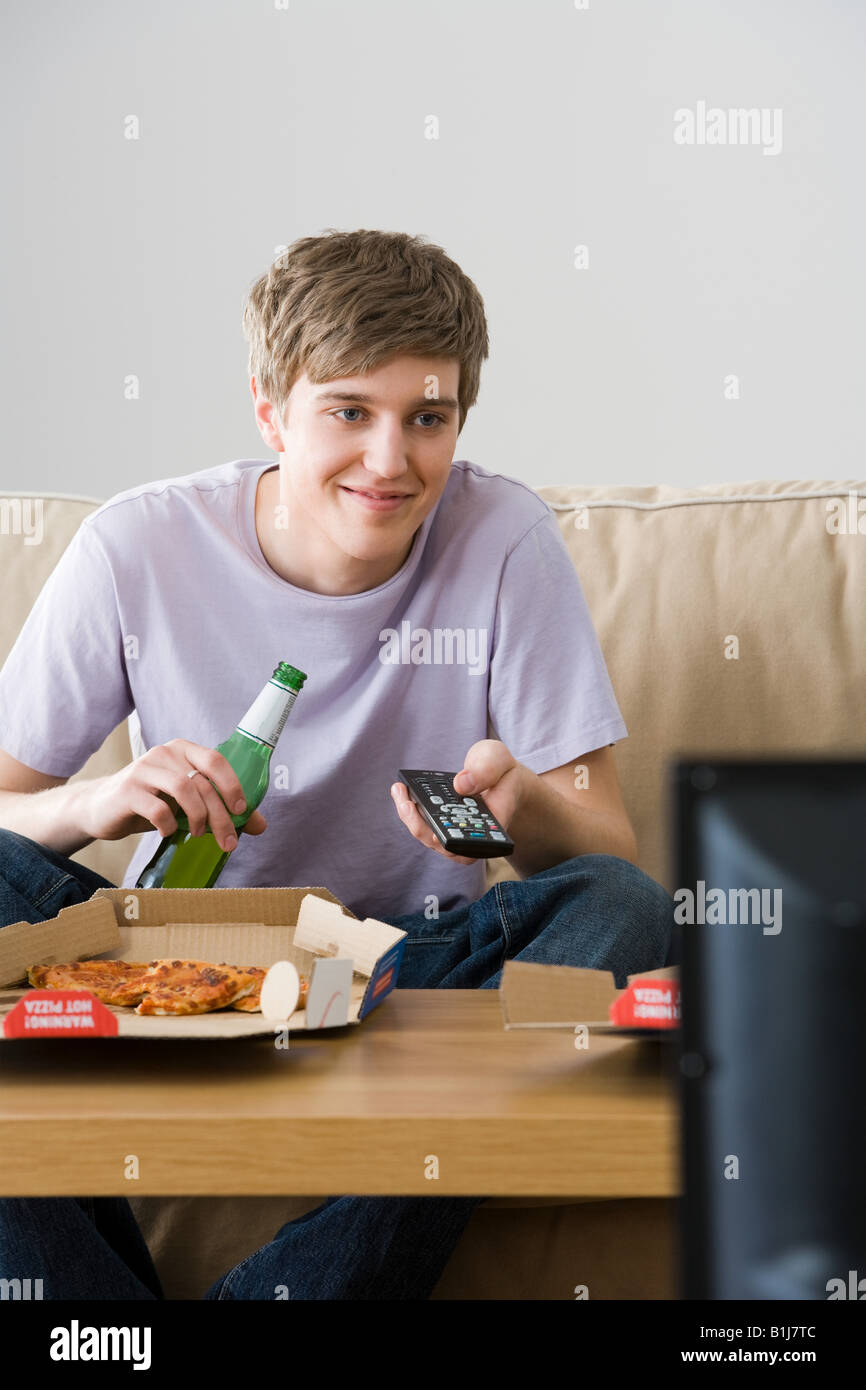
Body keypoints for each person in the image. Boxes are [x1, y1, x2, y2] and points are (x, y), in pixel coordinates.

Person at [0, 229, 674, 1299]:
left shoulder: (503, 540)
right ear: (270, 409)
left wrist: (519, 802)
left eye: (428, 417)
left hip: (405, 981)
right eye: (349, 412)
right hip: (168, 970)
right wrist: (94, 803)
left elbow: (607, 855)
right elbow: (4, 814)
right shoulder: (138, 545)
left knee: (623, 908)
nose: (390, 459)